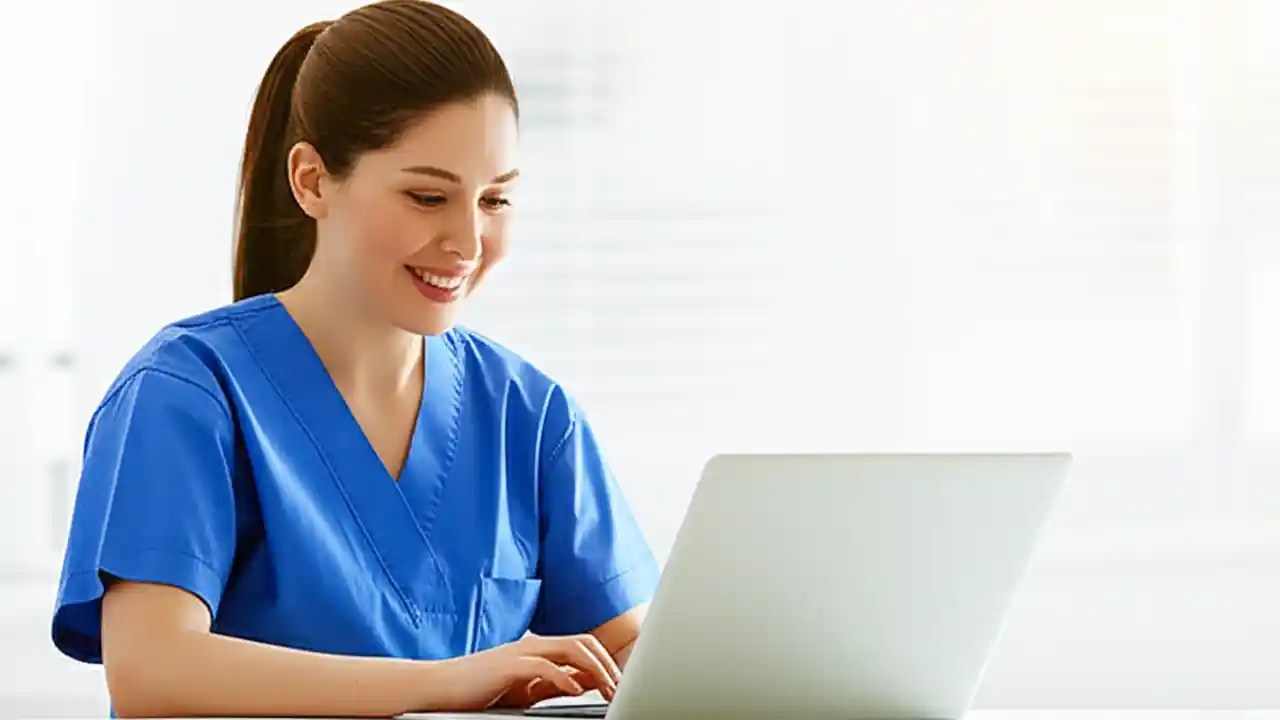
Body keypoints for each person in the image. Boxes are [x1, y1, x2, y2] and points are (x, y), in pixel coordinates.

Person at [49, 1, 660, 716]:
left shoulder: (528, 414)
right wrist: (451, 683)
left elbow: (634, 649)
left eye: (496, 200)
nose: (467, 240)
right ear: (311, 180)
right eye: (427, 196)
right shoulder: (185, 391)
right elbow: (154, 671)